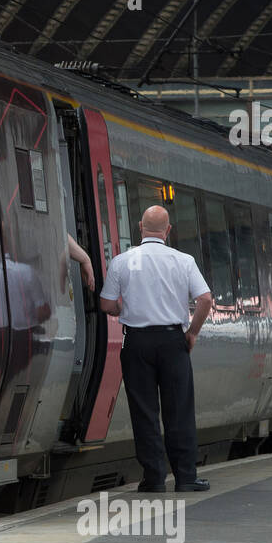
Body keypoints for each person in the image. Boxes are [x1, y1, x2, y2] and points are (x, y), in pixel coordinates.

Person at [99, 205, 214, 492]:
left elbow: (106, 304)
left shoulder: (121, 261)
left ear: (140, 227)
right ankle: (186, 477)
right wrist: (192, 333)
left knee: (144, 411)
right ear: (168, 230)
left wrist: (122, 307)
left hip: (136, 342)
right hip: (173, 341)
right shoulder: (183, 260)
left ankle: (153, 478)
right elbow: (205, 299)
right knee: (179, 410)